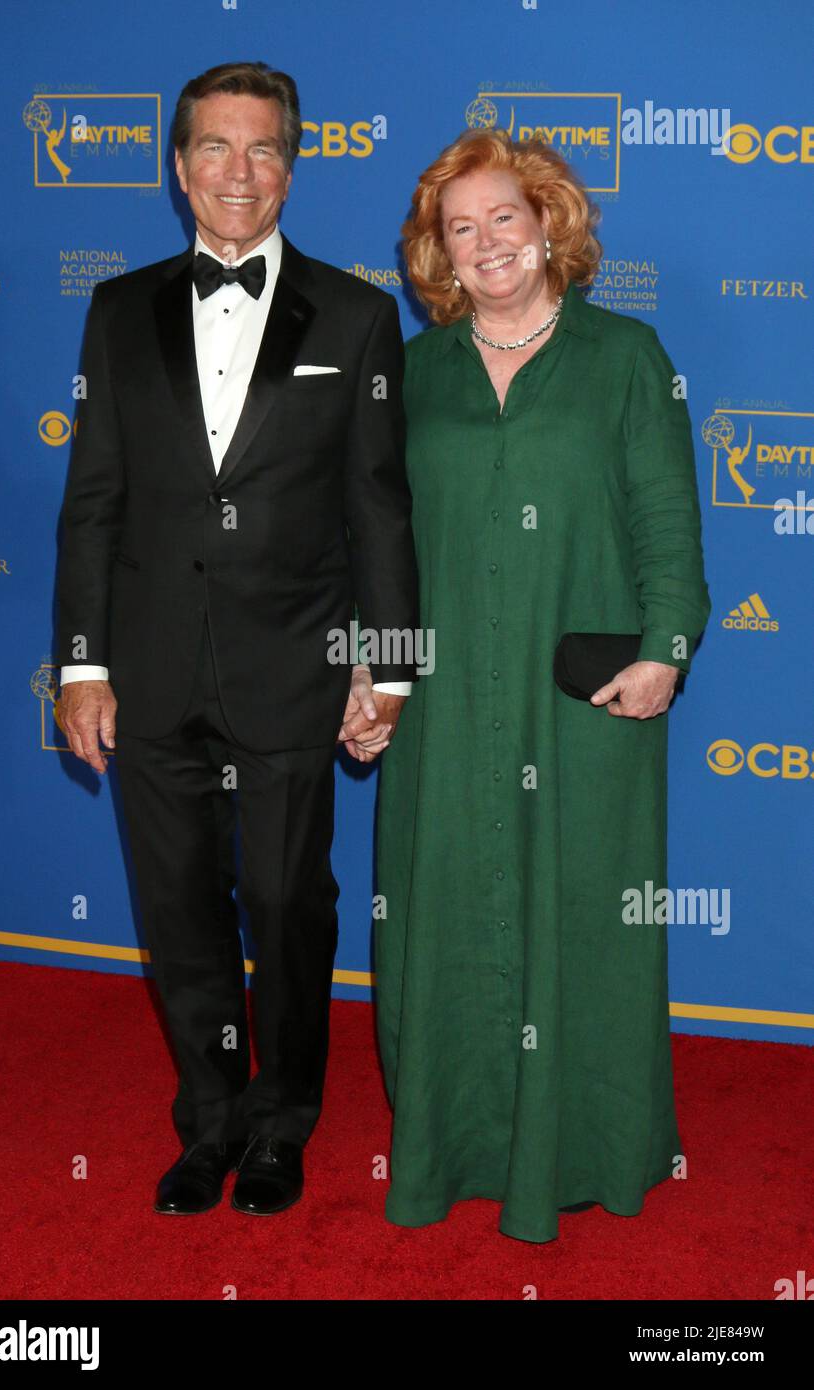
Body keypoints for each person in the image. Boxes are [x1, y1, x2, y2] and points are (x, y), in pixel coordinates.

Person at [56, 61, 418, 1218]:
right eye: (215, 147)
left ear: (293, 164)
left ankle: (280, 1123)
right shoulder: (118, 310)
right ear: (178, 166)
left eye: (263, 149)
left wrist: (392, 660)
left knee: (284, 903)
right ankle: (207, 1121)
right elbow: (94, 497)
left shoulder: (357, 315)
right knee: (176, 911)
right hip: (150, 674)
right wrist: (81, 661)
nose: (238, 173)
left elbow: (378, 508)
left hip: (292, 670)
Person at [374, 128, 711, 1244]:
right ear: (436, 252)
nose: (484, 244)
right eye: (457, 228)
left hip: (583, 701)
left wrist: (665, 646)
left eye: (502, 218)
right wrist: (369, 677)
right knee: (444, 913)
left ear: (549, 223)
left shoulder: (625, 355)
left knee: (582, 914)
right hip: (445, 701)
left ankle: (591, 1147)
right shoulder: (411, 374)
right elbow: (367, 544)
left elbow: (665, 516)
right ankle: (450, 1147)